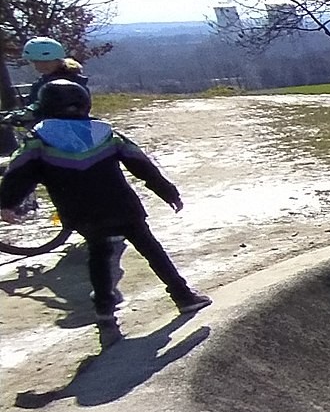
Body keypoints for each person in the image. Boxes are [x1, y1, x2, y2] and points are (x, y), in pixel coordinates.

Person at [0, 79, 212, 331]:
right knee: (151, 248)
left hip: (79, 210)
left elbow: (19, 173)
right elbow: (140, 163)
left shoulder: (38, 141)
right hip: (121, 205)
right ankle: (183, 296)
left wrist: (7, 204)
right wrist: (167, 191)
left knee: (99, 255)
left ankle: (104, 309)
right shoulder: (106, 133)